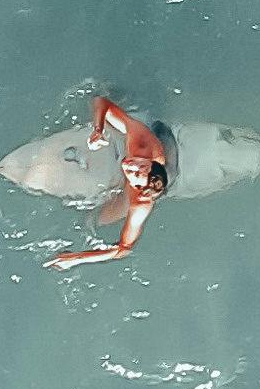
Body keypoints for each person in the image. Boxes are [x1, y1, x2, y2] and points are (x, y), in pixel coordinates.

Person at [46, 95, 173, 269]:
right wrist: (98, 130)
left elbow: (124, 249)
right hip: (159, 139)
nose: (132, 165)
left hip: (167, 177)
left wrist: (76, 258)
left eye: (136, 174)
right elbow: (100, 101)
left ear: (136, 187)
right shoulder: (143, 145)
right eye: (142, 165)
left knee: (95, 220)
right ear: (149, 161)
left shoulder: (140, 203)